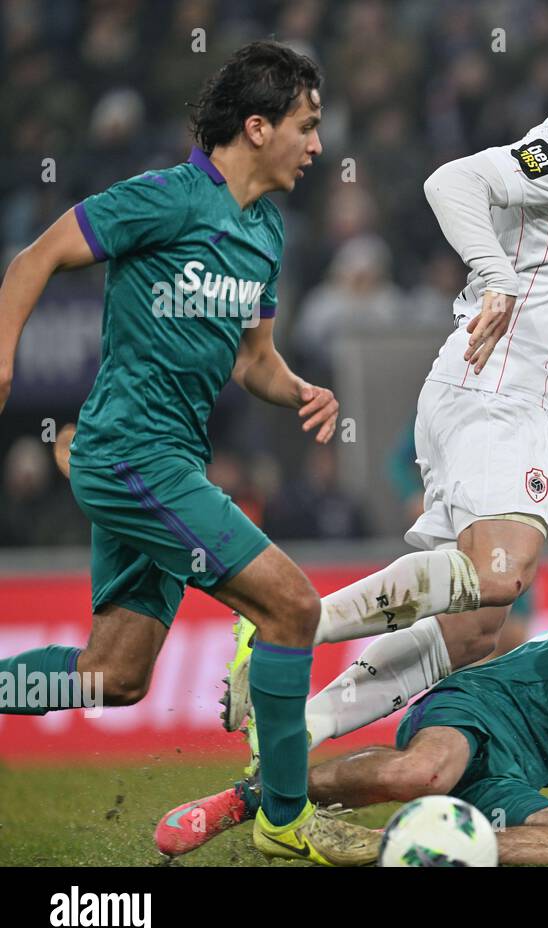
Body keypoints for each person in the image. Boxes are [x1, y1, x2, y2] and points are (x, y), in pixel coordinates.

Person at [220, 27, 548, 758]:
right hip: (497, 390)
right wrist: (498, 278)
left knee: (473, 629)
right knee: (501, 575)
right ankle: (289, 622)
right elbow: (451, 182)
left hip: (512, 397)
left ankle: (295, 735)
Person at [0, 40, 378, 863]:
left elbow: (252, 363)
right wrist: (1, 358)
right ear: (256, 126)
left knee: (114, 674)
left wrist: (301, 388)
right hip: (130, 453)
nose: (318, 146)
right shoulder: (164, 200)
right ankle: (285, 818)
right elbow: (35, 259)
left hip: (169, 460)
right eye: (307, 127)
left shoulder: (269, 232)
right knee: (292, 606)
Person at [158, 599, 548, 865]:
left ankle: (413, 848)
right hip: (483, 707)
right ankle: (247, 799)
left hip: (505, 780)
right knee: (420, 772)